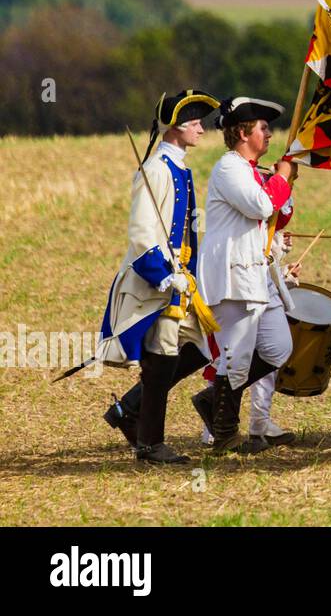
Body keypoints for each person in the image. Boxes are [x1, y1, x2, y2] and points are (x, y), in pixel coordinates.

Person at [99, 89, 220, 464]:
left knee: (200, 347)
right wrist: (164, 276)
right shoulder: (155, 170)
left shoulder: (180, 167)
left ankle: (130, 411)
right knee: (163, 356)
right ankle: (150, 444)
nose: (202, 129)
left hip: (183, 278)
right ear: (179, 126)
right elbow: (141, 233)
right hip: (160, 281)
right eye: (197, 122)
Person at [191, 96, 296, 455]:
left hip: (256, 273)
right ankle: (224, 432)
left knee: (279, 348)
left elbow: (277, 216)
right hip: (233, 274)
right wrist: (281, 179)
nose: (269, 134)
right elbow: (262, 205)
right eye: (263, 128)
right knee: (235, 357)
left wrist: (282, 183)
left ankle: (212, 400)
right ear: (241, 132)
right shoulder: (229, 168)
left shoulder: (253, 172)